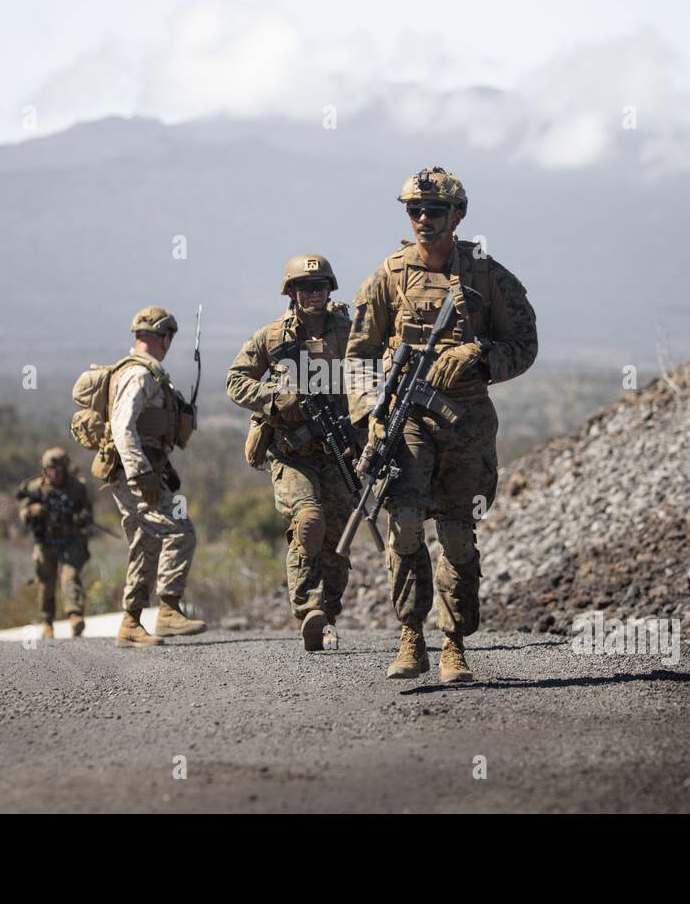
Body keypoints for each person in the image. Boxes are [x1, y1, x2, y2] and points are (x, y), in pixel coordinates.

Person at [344, 166, 538, 682]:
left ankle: (454, 644)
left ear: (458, 214)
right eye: (414, 210)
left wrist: (481, 353)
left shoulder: (487, 275)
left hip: (466, 420)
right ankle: (411, 636)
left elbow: (524, 345)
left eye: (434, 210)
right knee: (404, 526)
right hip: (404, 419)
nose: (423, 219)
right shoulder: (387, 277)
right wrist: (370, 414)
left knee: (455, 534)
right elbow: (359, 355)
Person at [225, 255, 354, 651]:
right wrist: (277, 398)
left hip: (338, 450)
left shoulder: (350, 332)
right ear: (291, 293)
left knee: (336, 540)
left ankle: (327, 617)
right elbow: (235, 381)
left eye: (319, 286)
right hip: (291, 451)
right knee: (309, 520)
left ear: (330, 289)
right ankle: (308, 608)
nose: (313, 294)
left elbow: (374, 375)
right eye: (304, 287)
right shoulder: (272, 337)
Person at [107, 306, 207, 647]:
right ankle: (168, 611)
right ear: (163, 337)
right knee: (181, 530)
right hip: (136, 474)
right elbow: (123, 428)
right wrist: (140, 475)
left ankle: (131, 623)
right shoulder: (140, 375)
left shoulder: (146, 372)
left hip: (141, 471)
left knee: (146, 543)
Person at [16, 447, 94, 639]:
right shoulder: (35, 488)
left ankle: (75, 616)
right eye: (51, 468)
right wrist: (32, 511)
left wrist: (79, 518)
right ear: (45, 469)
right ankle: (47, 622)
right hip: (45, 542)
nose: (55, 472)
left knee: (70, 577)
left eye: (59, 468)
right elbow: (22, 511)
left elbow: (88, 513)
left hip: (70, 540)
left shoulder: (77, 488)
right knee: (46, 583)